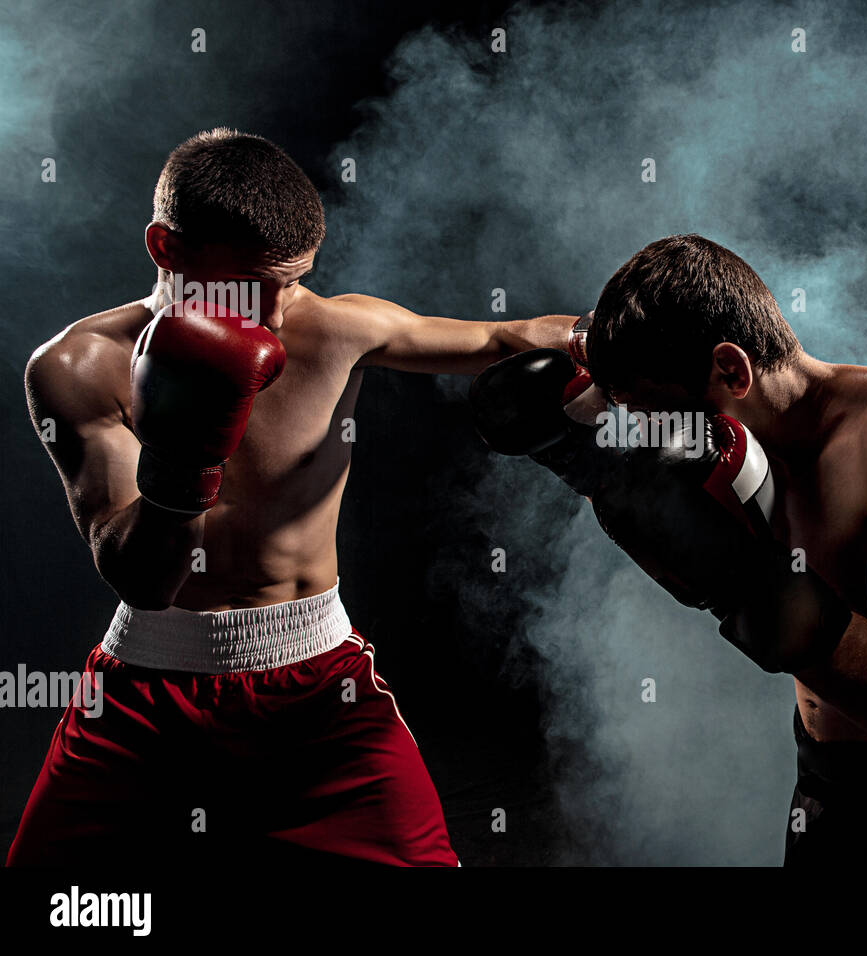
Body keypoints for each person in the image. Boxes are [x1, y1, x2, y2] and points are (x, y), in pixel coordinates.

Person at [10, 127, 574, 866]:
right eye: (253, 283)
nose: (277, 314)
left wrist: (613, 339)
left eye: (296, 279)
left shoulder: (335, 328)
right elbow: (140, 578)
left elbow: (506, 341)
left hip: (319, 694)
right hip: (146, 697)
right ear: (166, 248)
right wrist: (184, 463)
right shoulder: (77, 366)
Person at [471, 233, 867, 866]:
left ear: (731, 369)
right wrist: (576, 457)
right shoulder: (703, 434)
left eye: (656, 415)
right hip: (822, 775)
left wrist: (739, 583)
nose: (648, 438)